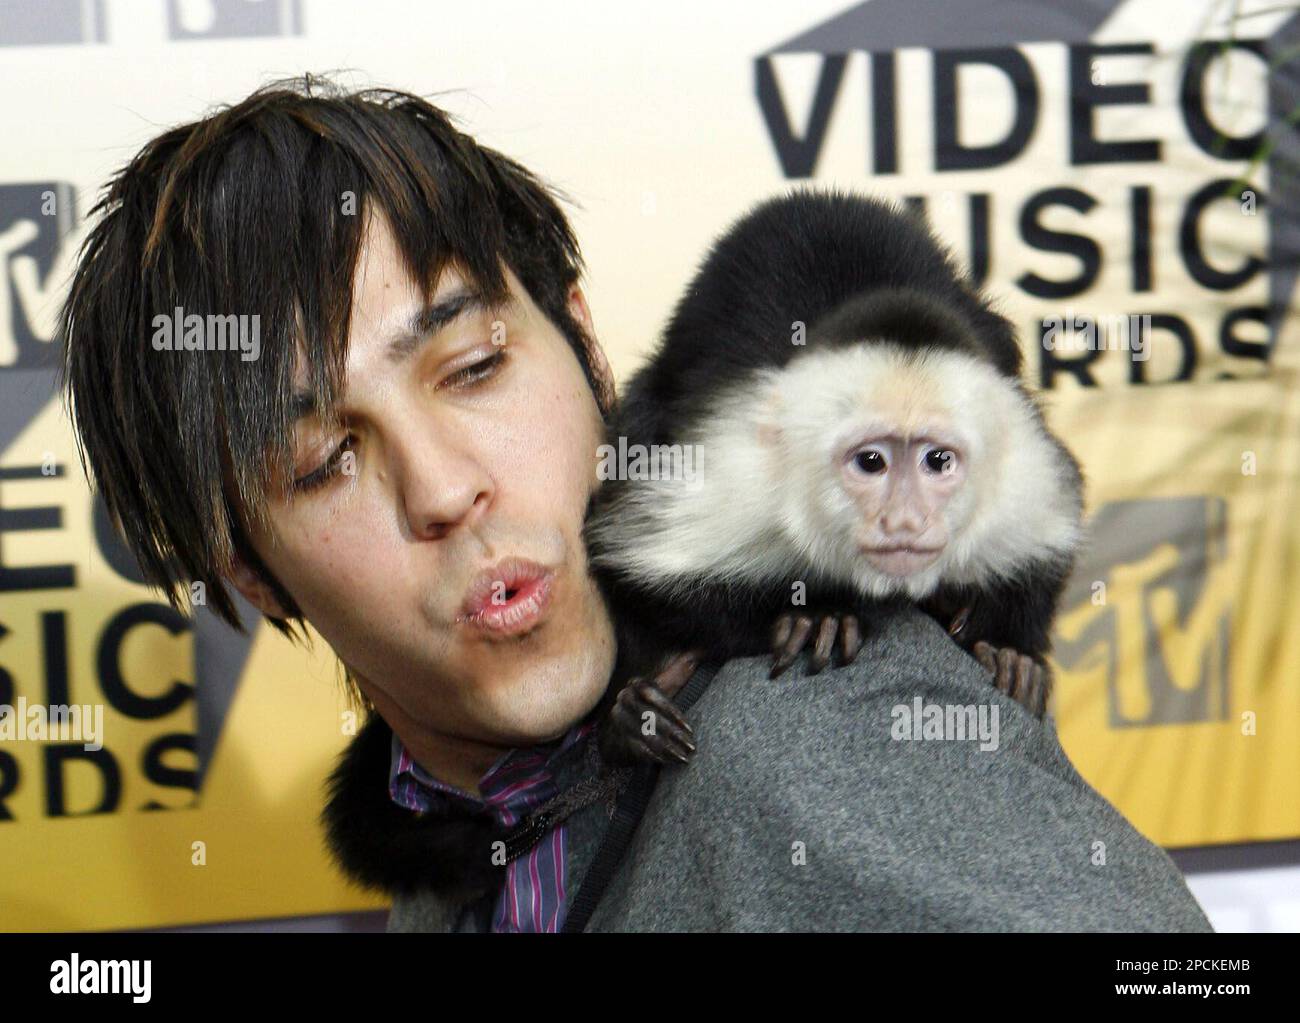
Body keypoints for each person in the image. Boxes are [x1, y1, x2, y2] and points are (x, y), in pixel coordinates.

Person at [58, 75, 1212, 932]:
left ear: (592, 352)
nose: (447, 488)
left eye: (473, 369)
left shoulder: (819, 744)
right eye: (324, 463)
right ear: (251, 575)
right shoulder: (452, 842)